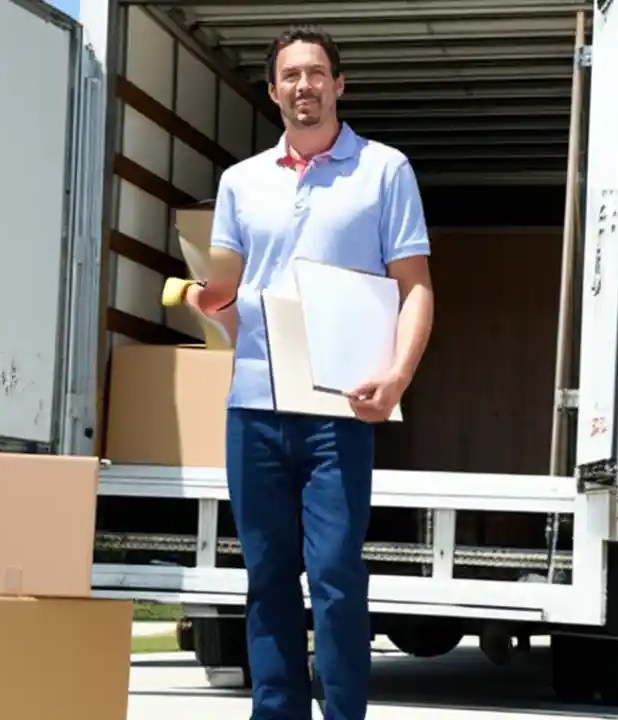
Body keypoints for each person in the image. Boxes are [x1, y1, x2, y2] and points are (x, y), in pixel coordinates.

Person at [175, 24, 434, 720]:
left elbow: (415, 287)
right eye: (290, 76)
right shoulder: (240, 182)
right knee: (267, 579)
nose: (304, 86)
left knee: (336, 578)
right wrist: (209, 299)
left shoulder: (383, 171)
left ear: (338, 85)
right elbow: (227, 290)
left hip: (338, 410)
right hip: (253, 408)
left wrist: (399, 375)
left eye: (317, 73)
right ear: (273, 92)